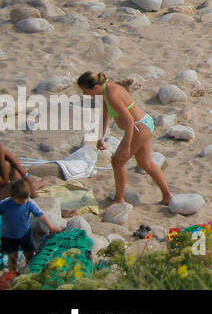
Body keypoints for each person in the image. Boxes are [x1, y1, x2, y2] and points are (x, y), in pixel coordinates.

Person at [76, 72, 172, 206]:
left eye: (85, 91)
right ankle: (167, 196)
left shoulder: (111, 94)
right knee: (145, 163)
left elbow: (128, 120)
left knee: (117, 161)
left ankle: (119, 198)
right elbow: (105, 116)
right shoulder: (100, 94)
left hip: (138, 126)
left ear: (95, 87)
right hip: (141, 124)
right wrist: (100, 137)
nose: (84, 95)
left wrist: (126, 146)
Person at [2, 179, 60, 273]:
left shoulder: (29, 203)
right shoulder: (5, 204)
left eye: (27, 197)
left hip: (25, 234)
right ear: (12, 197)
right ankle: (12, 273)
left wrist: (51, 226)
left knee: (29, 253)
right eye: (21, 200)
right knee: (12, 257)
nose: (25, 201)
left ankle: (29, 269)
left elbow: (41, 215)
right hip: (9, 237)